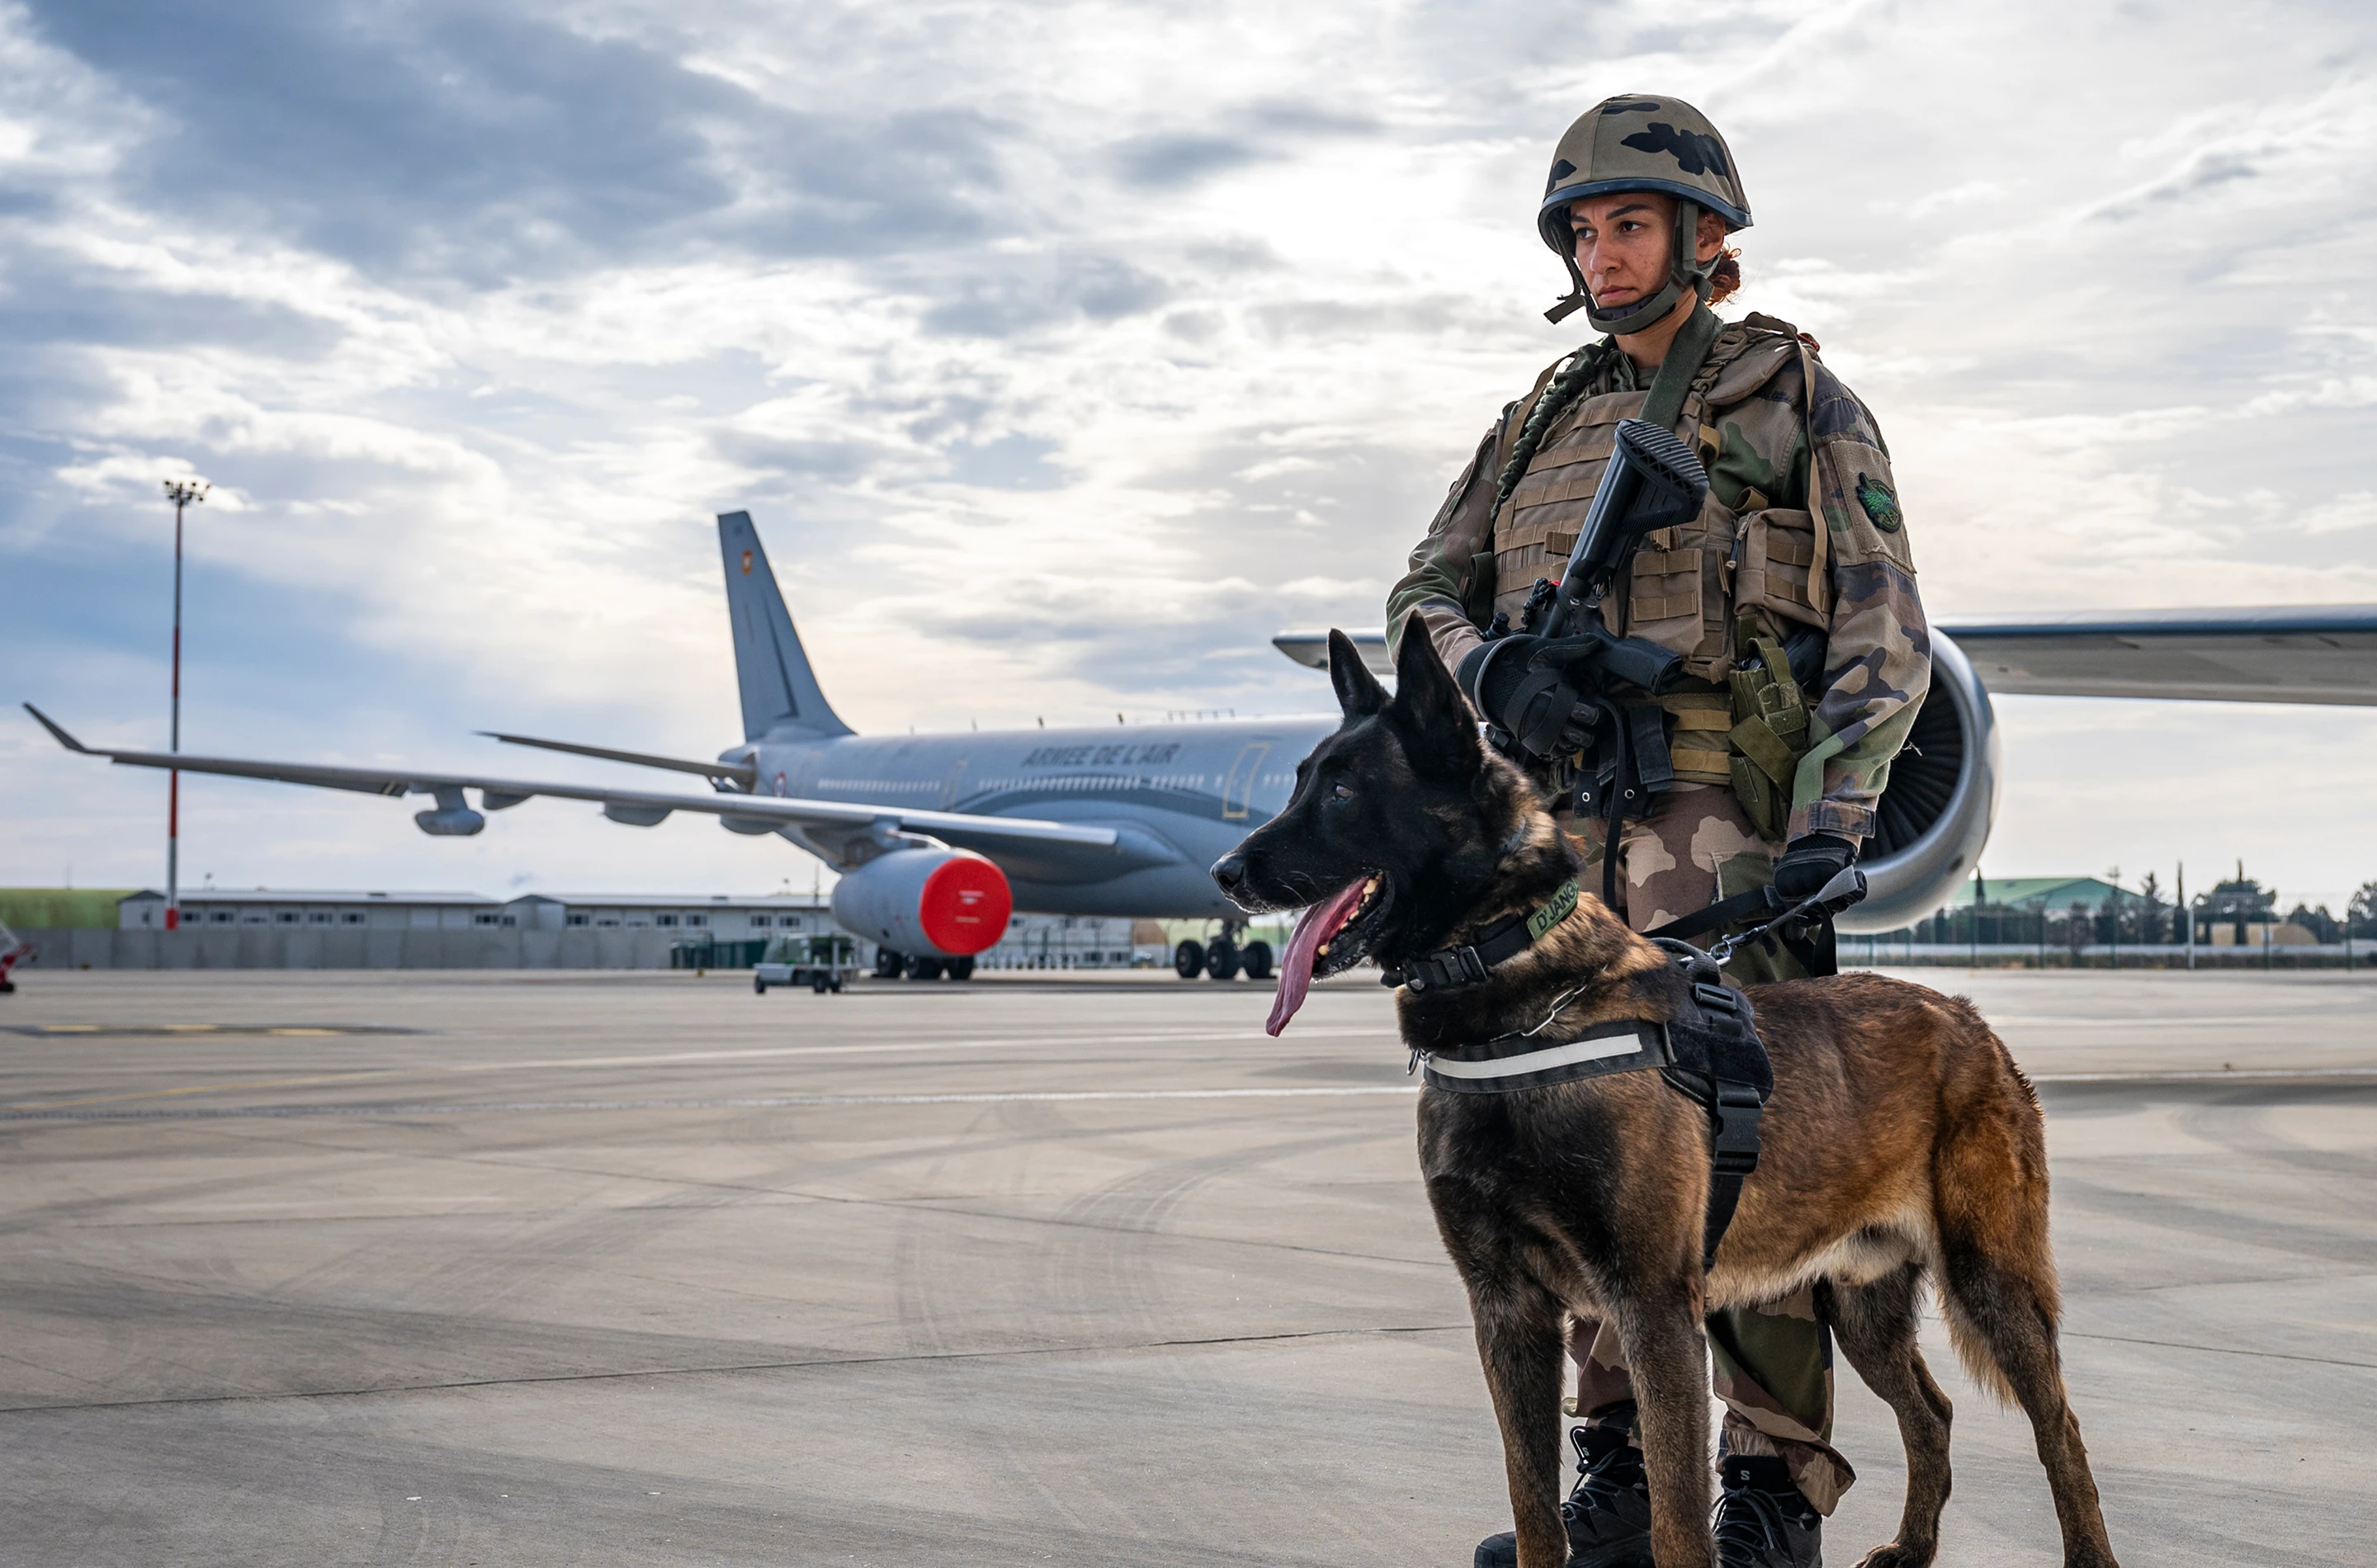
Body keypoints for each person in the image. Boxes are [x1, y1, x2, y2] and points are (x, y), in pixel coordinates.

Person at [1382, 95, 1932, 1568]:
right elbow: (1417, 599)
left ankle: (1773, 1485)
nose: (1601, 248)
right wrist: (1491, 667)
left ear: (1705, 238)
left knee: (1742, 1161)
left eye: (1629, 222)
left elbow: (1885, 627)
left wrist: (1836, 818)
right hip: (1564, 848)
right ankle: (1620, 1467)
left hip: (1728, 837)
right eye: (1584, 226)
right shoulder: (1540, 420)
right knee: (1577, 1149)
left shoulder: (1792, 398)